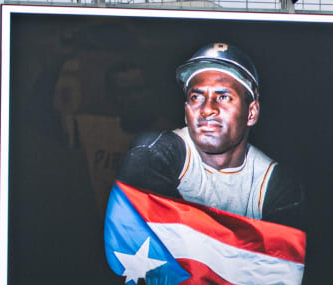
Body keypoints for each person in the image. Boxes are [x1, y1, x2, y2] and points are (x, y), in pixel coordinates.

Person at [118, 43, 304, 228]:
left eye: (223, 97)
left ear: (251, 113)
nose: (207, 109)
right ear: (186, 112)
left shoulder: (273, 184)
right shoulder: (157, 152)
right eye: (196, 97)